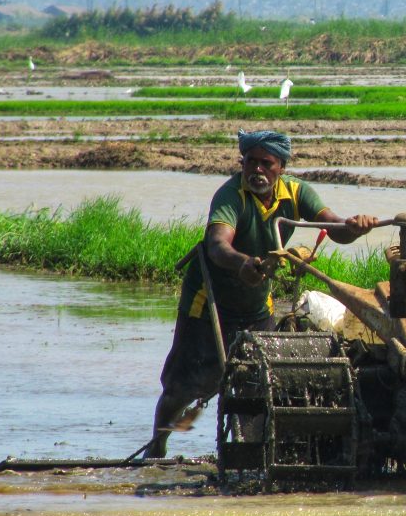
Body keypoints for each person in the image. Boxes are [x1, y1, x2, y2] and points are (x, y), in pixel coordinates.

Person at [144, 129, 378, 458]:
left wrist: (353, 227)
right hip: (210, 301)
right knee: (185, 384)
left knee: (258, 379)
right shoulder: (231, 195)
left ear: (280, 167)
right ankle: (157, 446)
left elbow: (334, 226)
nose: (256, 170)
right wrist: (242, 264)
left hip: (257, 302)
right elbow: (217, 245)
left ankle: (251, 452)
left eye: (265, 163)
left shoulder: (297, 193)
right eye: (249, 162)